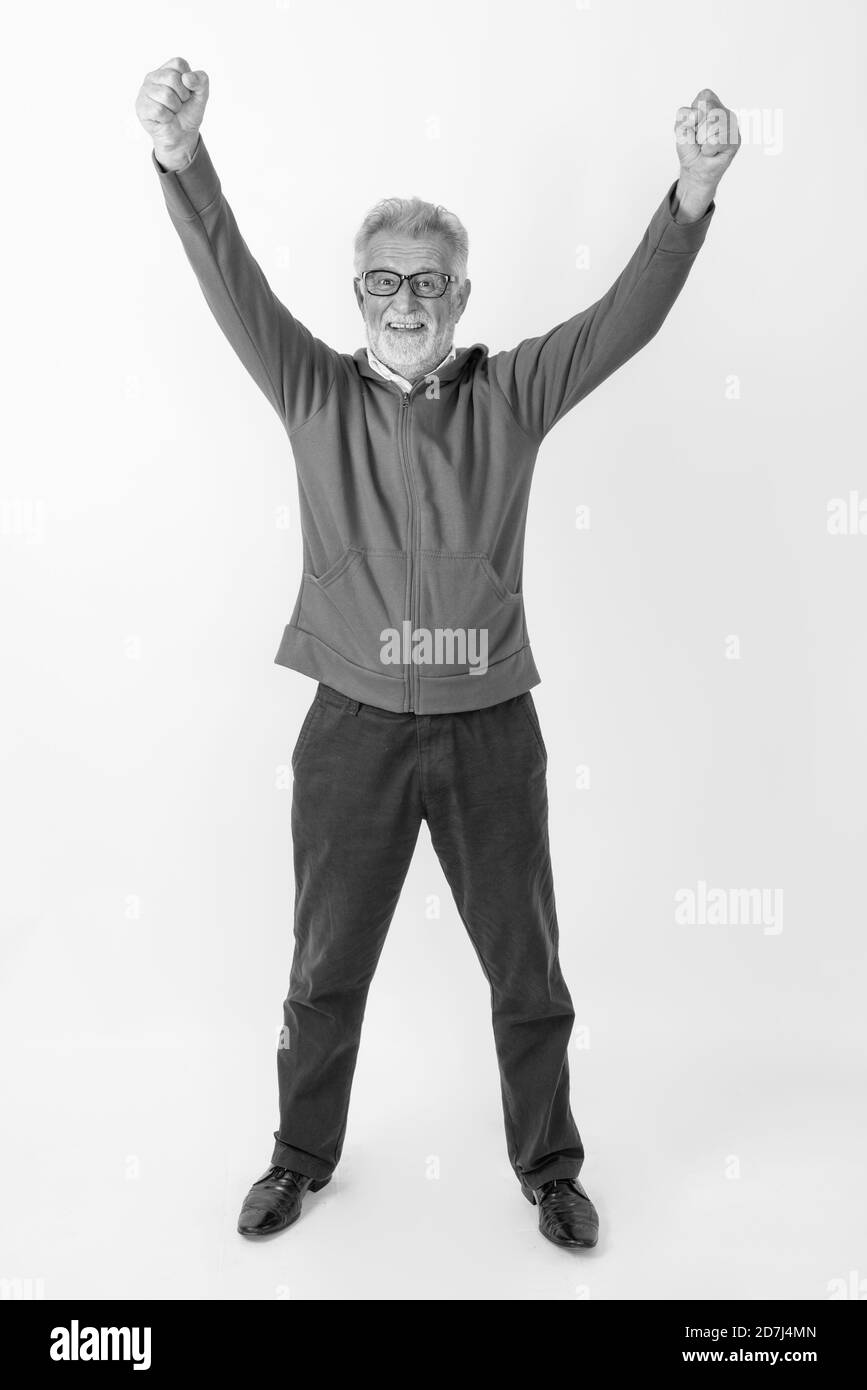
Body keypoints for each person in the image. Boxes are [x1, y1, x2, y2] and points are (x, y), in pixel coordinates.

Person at [135, 56, 739, 1250]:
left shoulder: (509, 396)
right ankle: (298, 1157)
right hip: (349, 733)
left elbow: (624, 318)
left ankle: (550, 1168)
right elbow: (231, 281)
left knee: (529, 973)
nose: (405, 300)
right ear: (358, 293)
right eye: (383, 280)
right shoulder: (311, 390)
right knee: (324, 972)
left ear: (462, 296)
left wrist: (693, 188)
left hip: (488, 732)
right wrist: (181, 158)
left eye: (429, 281)